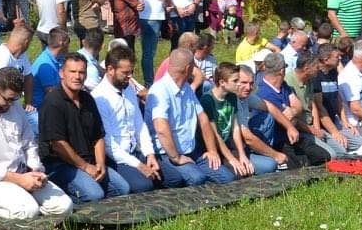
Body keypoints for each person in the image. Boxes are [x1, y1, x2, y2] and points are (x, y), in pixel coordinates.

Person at [0, 66, 73, 219]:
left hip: (23, 172)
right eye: (8, 99)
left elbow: (29, 142)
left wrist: (35, 169)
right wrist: (19, 180)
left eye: (16, 99)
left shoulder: (15, 106)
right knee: (28, 211)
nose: (11, 104)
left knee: (65, 206)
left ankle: (32, 204)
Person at [39, 51, 133, 202]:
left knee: (122, 188)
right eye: (73, 72)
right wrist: (85, 167)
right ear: (62, 73)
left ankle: (107, 221)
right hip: (60, 165)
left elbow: (99, 136)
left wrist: (100, 163)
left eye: (81, 72)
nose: (77, 76)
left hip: (89, 161)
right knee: (94, 195)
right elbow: (58, 144)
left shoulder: (88, 99)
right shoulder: (53, 102)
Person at [146, 48, 235, 187]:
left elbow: (203, 119)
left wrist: (211, 150)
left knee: (227, 177)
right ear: (188, 68)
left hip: (192, 151)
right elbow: (161, 128)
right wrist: (177, 157)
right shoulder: (160, 90)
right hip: (168, 154)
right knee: (196, 179)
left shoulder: (186, 88)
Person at [92, 44, 161, 194]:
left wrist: (149, 154)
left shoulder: (128, 89)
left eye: (131, 72)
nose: (129, 77)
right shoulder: (99, 98)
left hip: (135, 149)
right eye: (125, 73)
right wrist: (138, 165)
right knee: (144, 185)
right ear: (110, 70)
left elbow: (139, 124)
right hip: (117, 157)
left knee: (168, 176)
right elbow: (109, 144)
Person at [249, 52, 329, 168]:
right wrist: (292, 116)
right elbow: (288, 121)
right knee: (300, 165)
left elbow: (299, 106)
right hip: (278, 140)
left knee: (324, 156)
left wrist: (293, 111)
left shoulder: (283, 85)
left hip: (292, 136)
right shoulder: (264, 93)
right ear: (281, 71)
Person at [198, 62, 264, 178]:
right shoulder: (207, 100)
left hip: (227, 144)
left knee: (248, 171)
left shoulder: (232, 96)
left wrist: (241, 154)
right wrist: (232, 159)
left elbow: (235, 128)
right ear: (222, 83)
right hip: (212, 147)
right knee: (236, 175)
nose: (239, 84)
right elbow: (215, 135)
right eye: (235, 81)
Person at [0, 23, 34, 106]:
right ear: (26, 42)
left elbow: (28, 78)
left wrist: (28, 103)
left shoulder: (22, 55)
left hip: (11, 100)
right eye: (30, 41)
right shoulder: (2, 58)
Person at [31, 27, 68, 110]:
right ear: (62, 43)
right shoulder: (46, 65)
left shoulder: (55, 58)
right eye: (68, 42)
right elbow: (53, 94)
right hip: (42, 109)